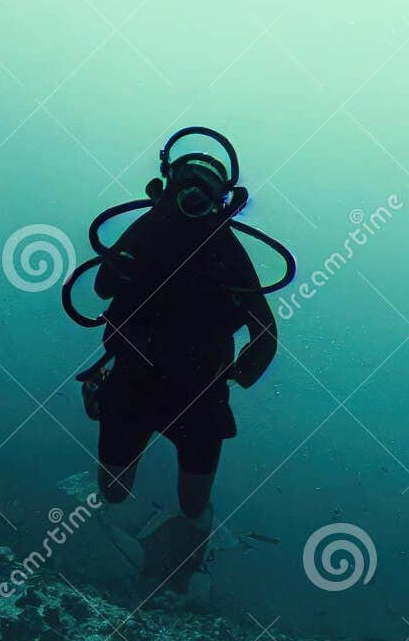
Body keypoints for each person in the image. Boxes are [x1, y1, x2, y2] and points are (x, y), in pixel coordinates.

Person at [89, 154, 278, 580]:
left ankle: (191, 548)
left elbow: (265, 332)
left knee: (193, 503)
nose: (193, 195)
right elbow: (103, 287)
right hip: (132, 382)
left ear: (219, 199)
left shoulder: (226, 249)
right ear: (169, 187)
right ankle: (134, 536)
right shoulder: (146, 231)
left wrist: (238, 375)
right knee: (113, 492)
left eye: (205, 189)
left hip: (199, 394)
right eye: (186, 185)